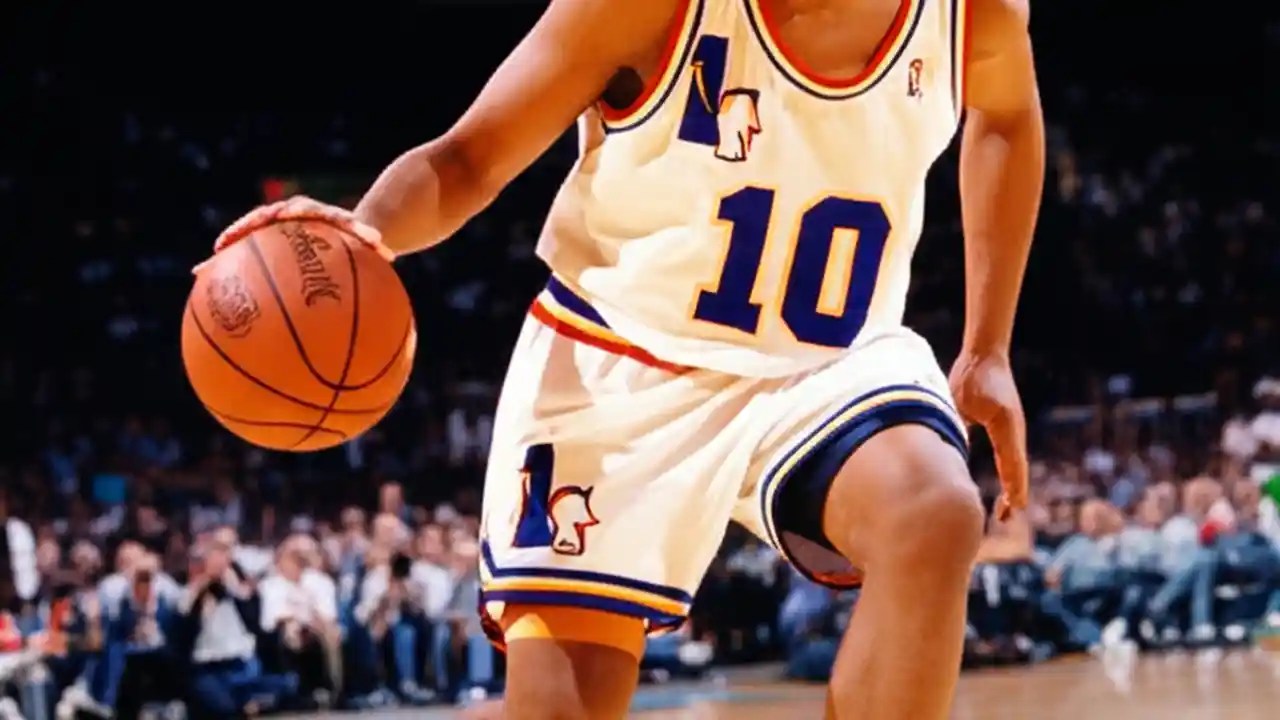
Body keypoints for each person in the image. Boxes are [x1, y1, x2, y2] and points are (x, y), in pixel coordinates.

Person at [211, 0, 1043, 716]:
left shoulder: (971, 8)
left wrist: (988, 348)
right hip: (615, 364)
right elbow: (469, 156)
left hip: (826, 362)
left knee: (932, 512)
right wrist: (363, 233)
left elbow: (1006, 115)